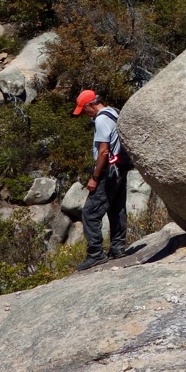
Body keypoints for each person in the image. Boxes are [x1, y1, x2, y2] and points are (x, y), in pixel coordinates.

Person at [73, 88, 128, 269]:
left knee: (90, 213)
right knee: (117, 208)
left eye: (84, 109)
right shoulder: (114, 112)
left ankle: (96, 254)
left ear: (91, 105)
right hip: (119, 167)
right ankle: (118, 247)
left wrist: (95, 177)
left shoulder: (102, 119)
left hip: (107, 172)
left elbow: (103, 151)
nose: (84, 114)